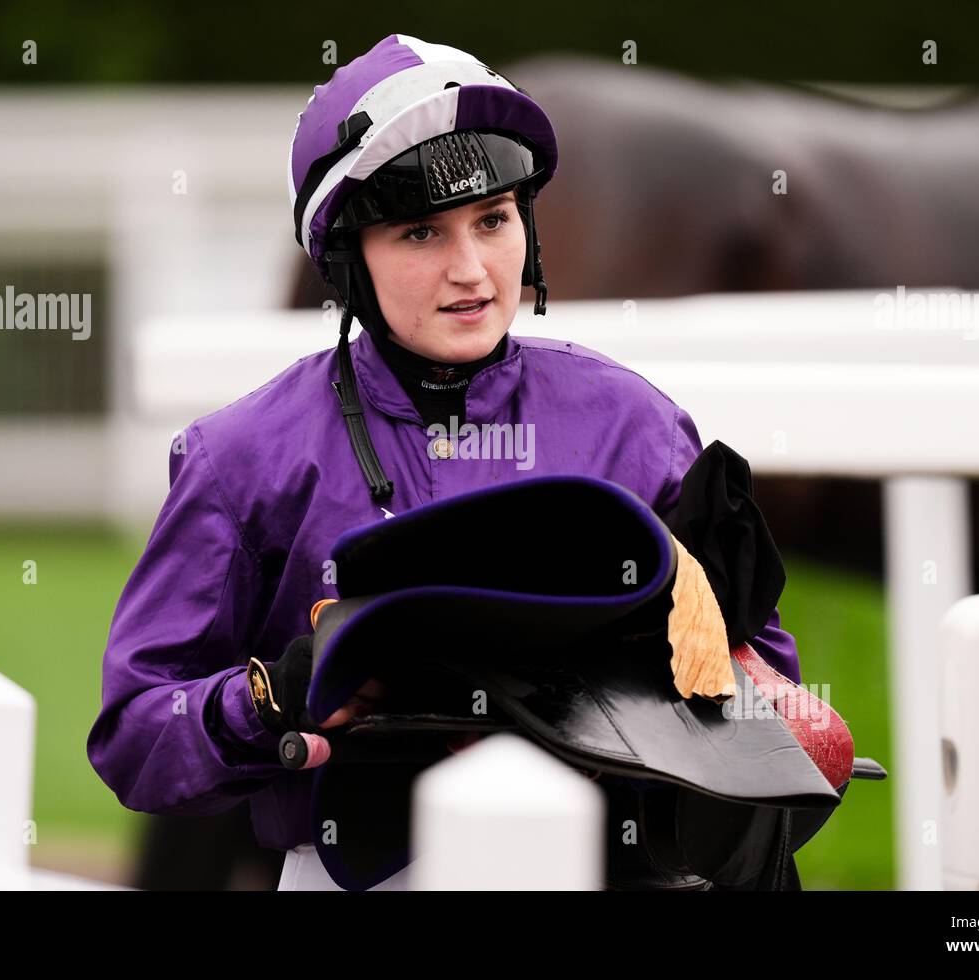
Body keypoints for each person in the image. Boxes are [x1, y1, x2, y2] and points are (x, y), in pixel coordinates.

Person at [86, 33, 802, 890]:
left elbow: (770, 685)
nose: (471, 271)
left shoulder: (633, 422)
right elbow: (134, 733)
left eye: (493, 221)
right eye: (422, 232)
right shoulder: (240, 457)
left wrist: (660, 671)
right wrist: (270, 697)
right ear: (349, 260)